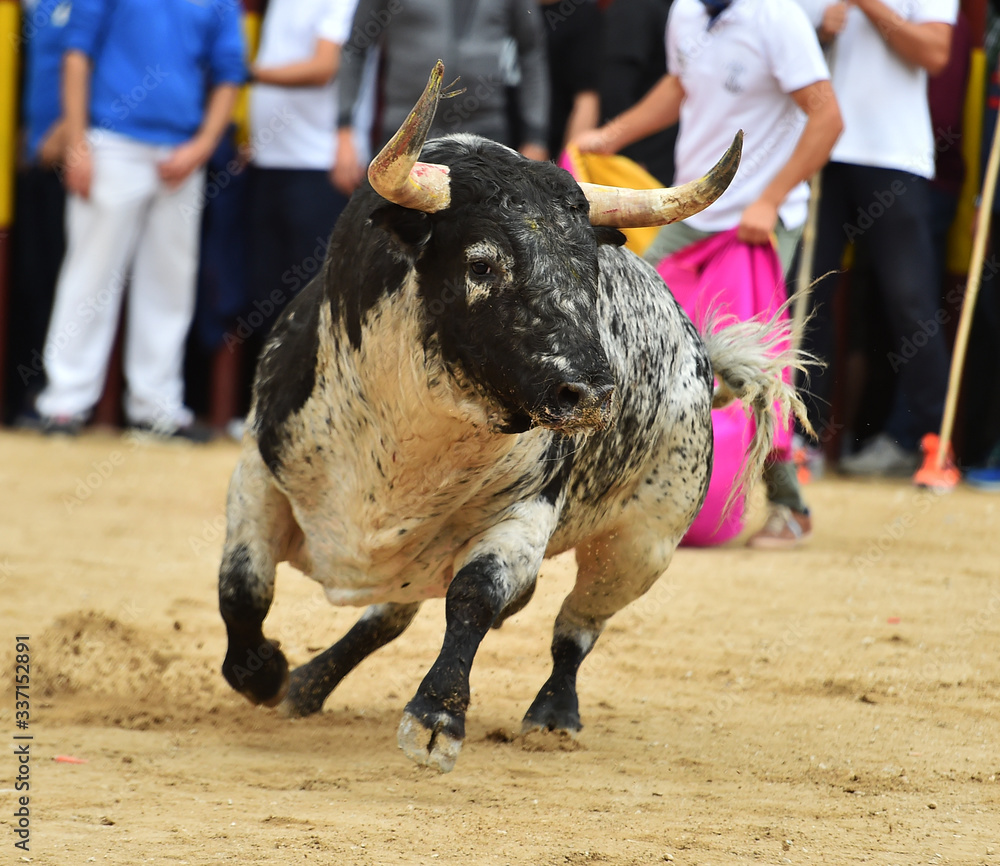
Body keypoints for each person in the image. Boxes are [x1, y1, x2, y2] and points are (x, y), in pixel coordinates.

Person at [573, 0, 842, 548]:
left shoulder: (777, 16)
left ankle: (790, 507)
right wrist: (613, 135)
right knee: (627, 326)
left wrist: (768, 199)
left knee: (745, 365)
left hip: (756, 222)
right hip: (690, 209)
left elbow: (828, 116)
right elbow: (681, 84)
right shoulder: (686, 12)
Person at [34, 0, 246, 438]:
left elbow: (230, 72)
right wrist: (78, 142)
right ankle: (64, 404)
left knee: (170, 282)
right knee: (90, 276)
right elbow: (76, 54)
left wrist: (202, 146)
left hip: (182, 151)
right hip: (110, 141)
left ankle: (156, 409)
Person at [794, 0, 956, 476]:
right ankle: (803, 442)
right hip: (821, 148)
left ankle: (933, 441)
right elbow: (781, 45)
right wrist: (820, 30)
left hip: (895, 154)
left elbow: (935, 53)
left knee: (910, 302)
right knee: (807, 296)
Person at [331, 0, 550, 197]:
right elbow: (355, 48)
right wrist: (344, 131)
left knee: (484, 232)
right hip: (406, 134)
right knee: (393, 233)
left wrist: (535, 136)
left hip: (484, 137)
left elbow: (531, 52)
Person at [5, 0, 71, 425]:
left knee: (59, 283)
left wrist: (66, 129)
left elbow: (98, 67)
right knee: (27, 280)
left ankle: (53, 394)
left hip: (73, 161)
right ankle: (22, 395)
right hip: (30, 163)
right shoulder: (34, 9)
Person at [539, 0, 601, 161]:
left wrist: (564, 169)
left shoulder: (581, 16)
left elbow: (588, 100)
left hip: (547, 155)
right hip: (494, 149)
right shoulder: (506, 10)